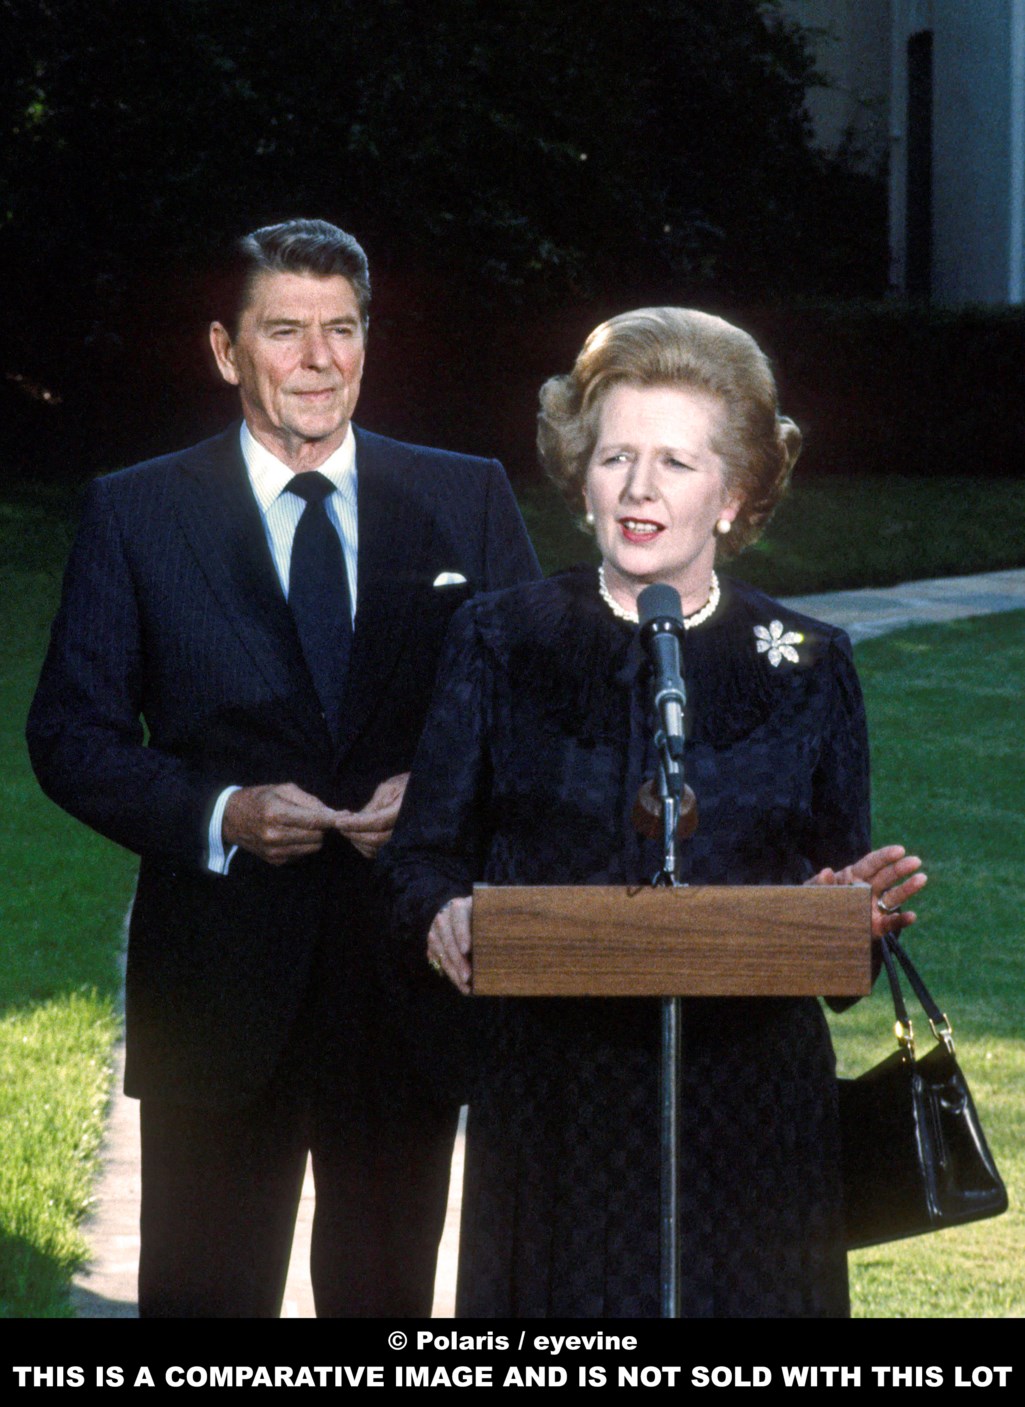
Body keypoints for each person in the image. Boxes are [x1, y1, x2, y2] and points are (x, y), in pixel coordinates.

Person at [26, 218, 540, 1318]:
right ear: (226, 351)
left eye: (342, 329)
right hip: (216, 995)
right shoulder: (139, 510)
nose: (318, 359)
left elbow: (539, 718)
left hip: (403, 988)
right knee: (202, 1311)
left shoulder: (466, 498)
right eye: (285, 331)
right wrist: (223, 812)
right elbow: (71, 735)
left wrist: (441, 799)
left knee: (387, 1303)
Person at [383, 307, 927, 1318]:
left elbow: (840, 918)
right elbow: (418, 862)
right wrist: (441, 916)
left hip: (752, 1107)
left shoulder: (807, 662)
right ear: (577, 472)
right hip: (556, 1102)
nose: (637, 489)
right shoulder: (498, 638)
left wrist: (848, 919)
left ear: (734, 495)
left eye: (675, 463)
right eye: (614, 456)